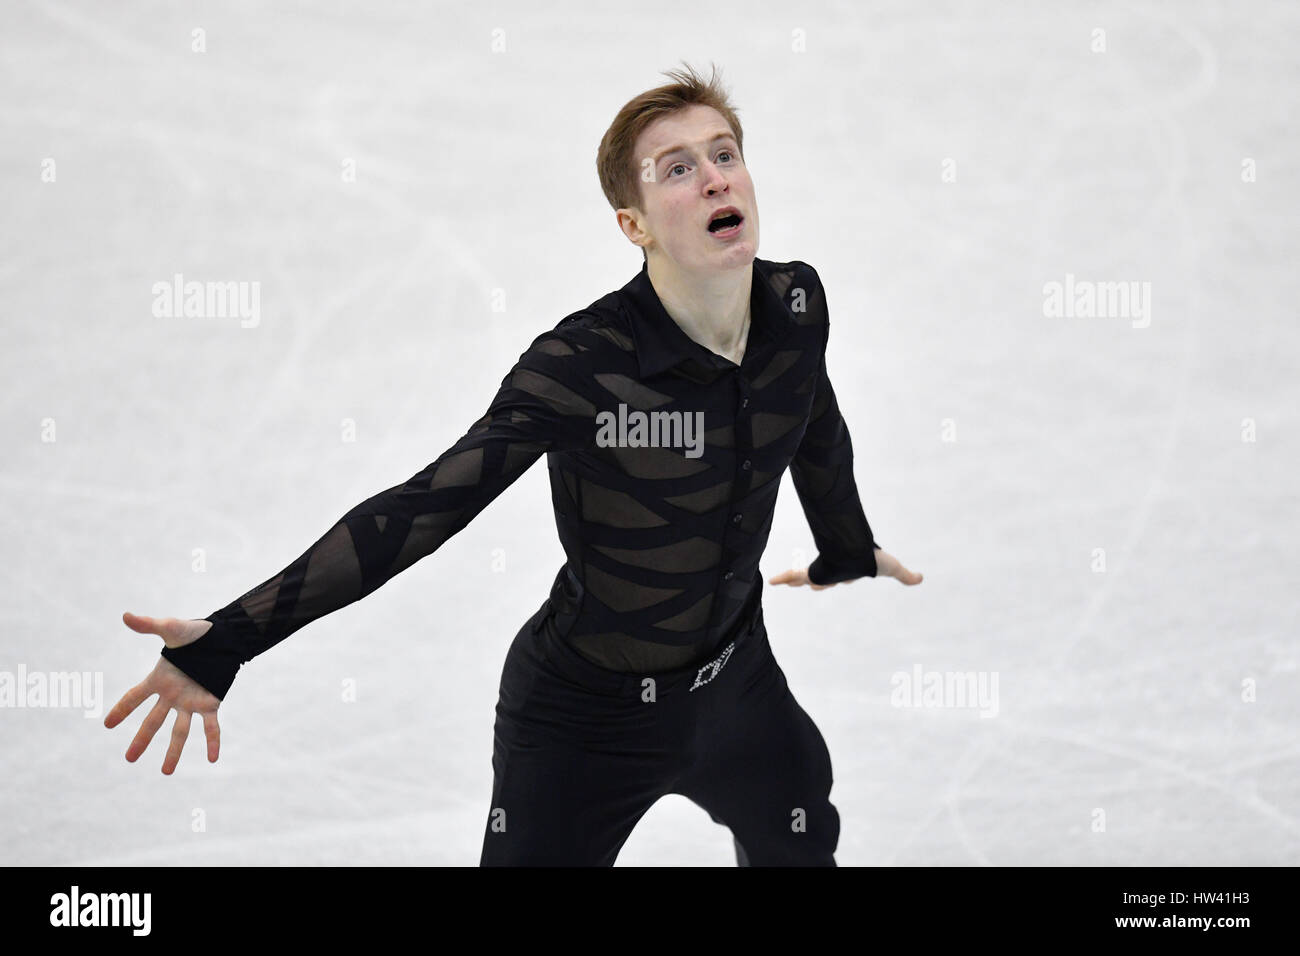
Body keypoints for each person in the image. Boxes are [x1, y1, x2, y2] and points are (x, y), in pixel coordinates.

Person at [105, 61, 923, 866]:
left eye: (724, 154)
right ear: (632, 225)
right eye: (677, 169)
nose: (714, 179)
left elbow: (814, 420)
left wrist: (845, 545)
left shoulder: (795, 307)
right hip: (582, 719)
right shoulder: (579, 367)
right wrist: (228, 640)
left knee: (803, 834)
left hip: (739, 685)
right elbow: (423, 509)